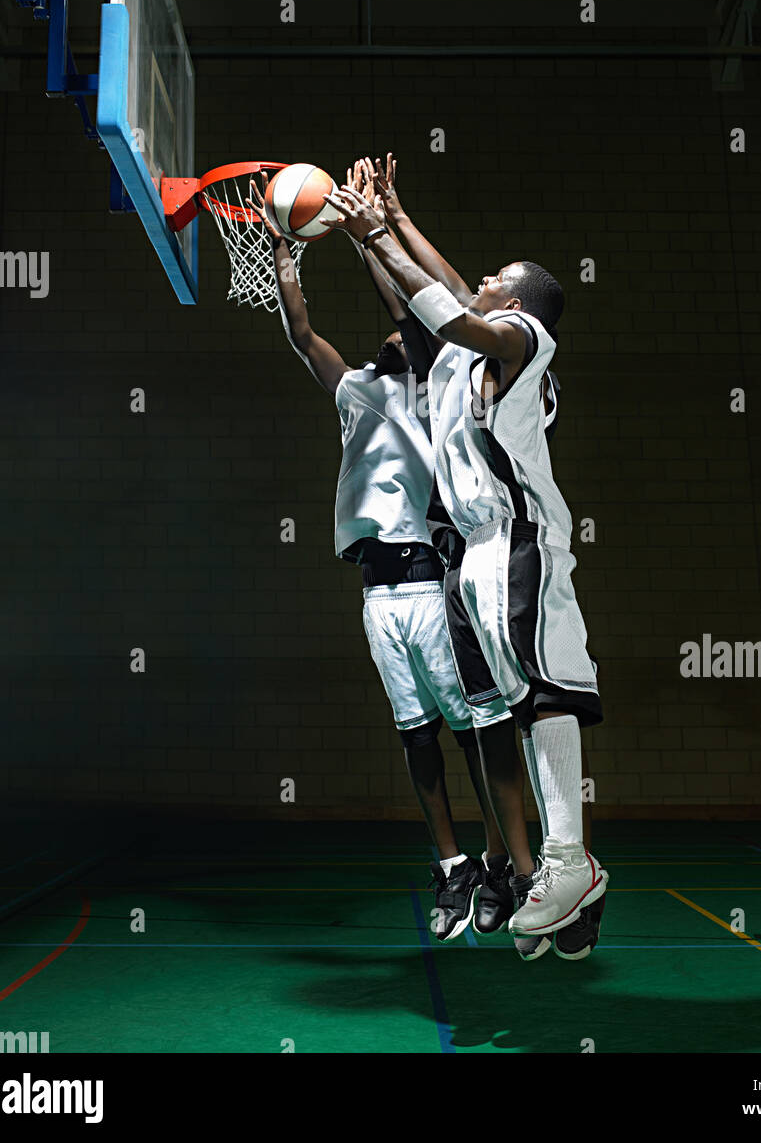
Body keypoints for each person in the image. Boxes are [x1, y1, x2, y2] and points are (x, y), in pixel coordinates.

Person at [322, 161, 609, 945]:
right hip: (471, 558)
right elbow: (432, 297)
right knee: (516, 707)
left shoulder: (522, 339)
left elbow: (450, 309)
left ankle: (566, 860)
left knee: (548, 694)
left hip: (519, 539)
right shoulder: (464, 359)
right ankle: (561, 885)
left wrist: (377, 231)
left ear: (513, 303)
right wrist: (386, 221)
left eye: (494, 279)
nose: (476, 279)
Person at [248, 167, 507, 941]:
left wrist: (368, 233)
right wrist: (287, 256)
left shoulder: (429, 389)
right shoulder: (354, 387)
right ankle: (452, 863)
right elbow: (300, 332)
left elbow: (414, 303)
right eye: (391, 333)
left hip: (427, 579)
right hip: (375, 591)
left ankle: (499, 856)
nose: (396, 334)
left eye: (406, 332)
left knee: (467, 728)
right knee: (413, 733)